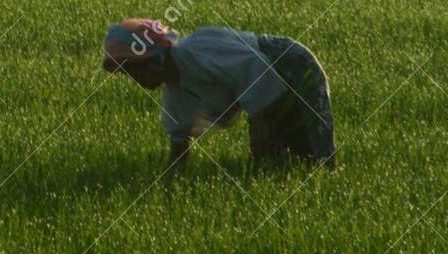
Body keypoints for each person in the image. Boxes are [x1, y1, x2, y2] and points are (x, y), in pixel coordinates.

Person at [102, 17, 335, 177]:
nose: (136, 80)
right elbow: (179, 142)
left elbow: (255, 71)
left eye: (134, 71)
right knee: (279, 163)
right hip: (268, 80)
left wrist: (259, 128)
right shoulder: (176, 90)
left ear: (153, 61)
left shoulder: (196, 49)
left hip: (288, 64)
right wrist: (170, 181)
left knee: (313, 156)